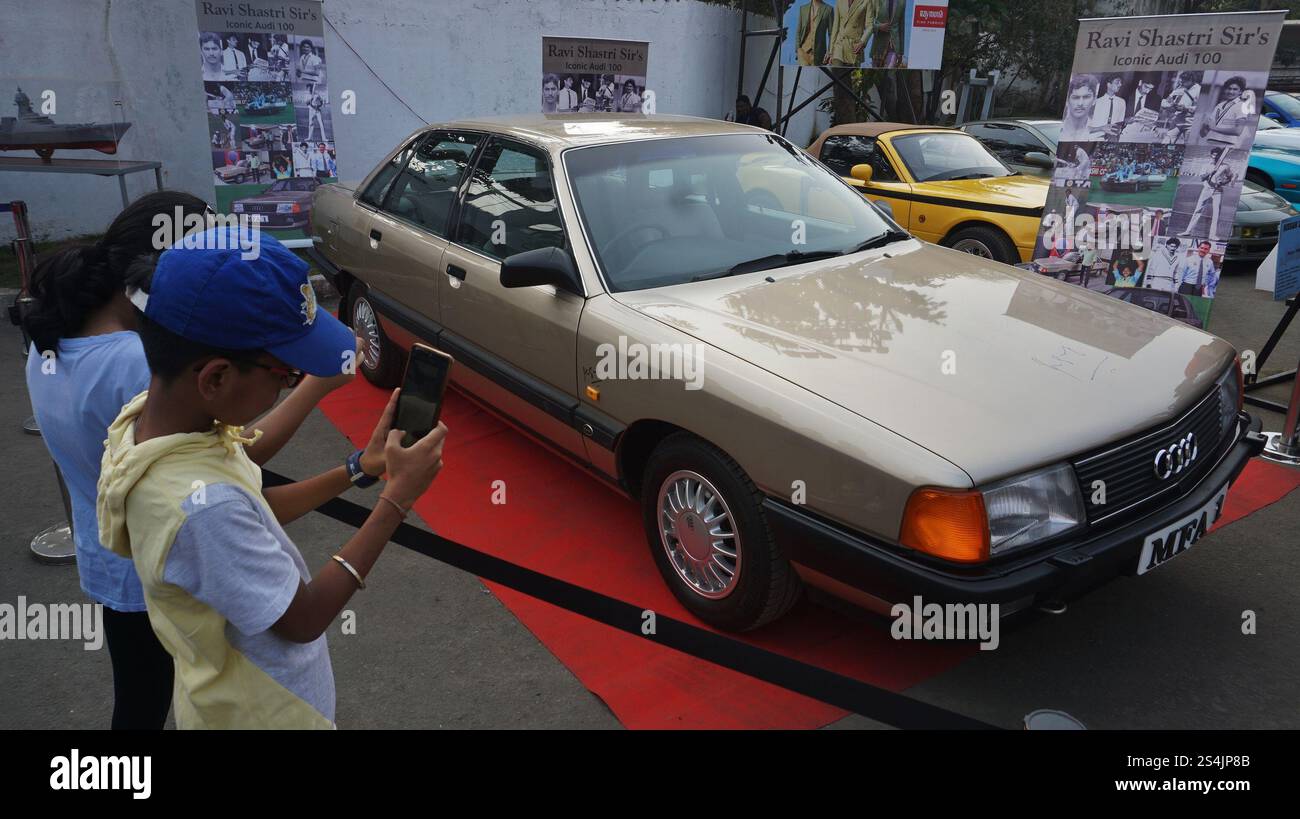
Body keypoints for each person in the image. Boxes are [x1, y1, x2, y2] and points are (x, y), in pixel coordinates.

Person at [22, 193, 357, 730]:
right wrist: (314, 388)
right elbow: (240, 454)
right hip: (174, 569)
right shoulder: (142, 368)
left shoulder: (53, 337)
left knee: (143, 699)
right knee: (156, 703)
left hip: (115, 562)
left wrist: (353, 468)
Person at [97, 228, 448, 729]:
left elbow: (255, 502)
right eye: (285, 374)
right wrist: (397, 499)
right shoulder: (203, 510)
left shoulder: (144, 426)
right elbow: (303, 618)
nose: (290, 384)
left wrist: (360, 468)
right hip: (263, 715)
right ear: (215, 378)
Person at [1182, 147, 1236, 240]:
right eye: (1213, 155)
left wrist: (1222, 183)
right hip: (1206, 189)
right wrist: (1211, 172)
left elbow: (1230, 177)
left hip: (1218, 191)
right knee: (1198, 210)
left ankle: (1212, 235)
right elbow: (1202, 178)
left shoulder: (1225, 166)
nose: (1215, 157)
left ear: (1220, 156)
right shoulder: (1206, 165)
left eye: (1217, 155)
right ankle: (1188, 231)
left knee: (1216, 213)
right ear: (1211, 155)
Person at [1201, 76, 1251, 150]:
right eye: (1229, 88)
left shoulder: (1241, 106)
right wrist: (1204, 125)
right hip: (1210, 142)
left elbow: (1238, 131)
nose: (1231, 92)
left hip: (1226, 144)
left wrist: (1214, 128)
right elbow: (1203, 134)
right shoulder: (1219, 105)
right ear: (1225, 90)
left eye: (1235, 89)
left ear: (1240, 92)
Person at [825, 0, 876, 67]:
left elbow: (870, 26)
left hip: (855, 47)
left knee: (852, 76)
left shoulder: (866, 2)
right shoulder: (839, 1)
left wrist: (862, 42)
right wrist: (830, 51)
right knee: (836, 73)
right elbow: (835, 27)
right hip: (839, 46)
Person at [1061, 75, 1101, 142]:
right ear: (1067, 101)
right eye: (1075, 97)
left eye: (1086, 97)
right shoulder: (1057, 129)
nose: (1080, 103)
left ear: (1094, 100)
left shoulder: (1098, 134)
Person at [870, 0, 905, 69]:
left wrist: (901, 52)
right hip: (878, 46)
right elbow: (867, 23)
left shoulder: (902, 2)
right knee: (877, 74)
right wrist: (879, 27)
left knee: (889, 73)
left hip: (894, 46)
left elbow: (901, 27)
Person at [796, 0, 832, 67]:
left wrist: (829, 51)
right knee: (804, 75)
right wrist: (798, 49)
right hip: (803, 52)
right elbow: (799, 31)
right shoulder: (803, 9)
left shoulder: (829, 9)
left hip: (819, 55)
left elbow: (831, 33)